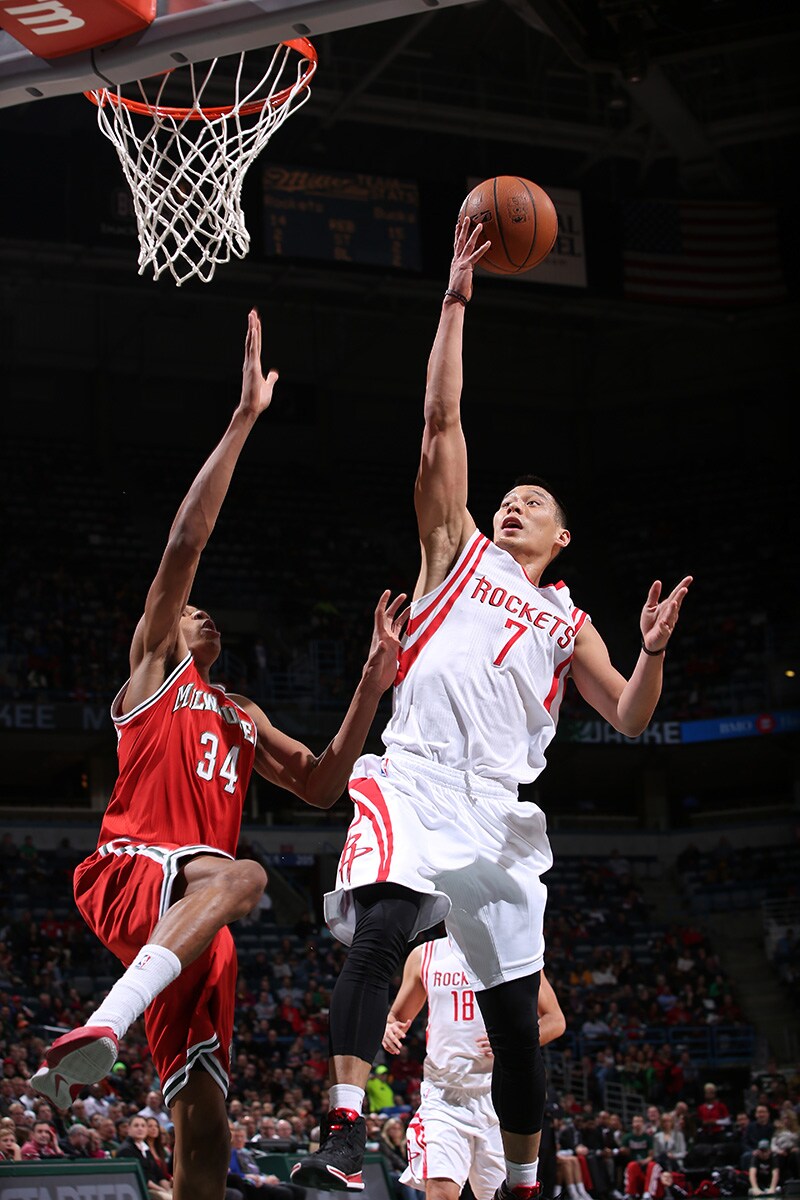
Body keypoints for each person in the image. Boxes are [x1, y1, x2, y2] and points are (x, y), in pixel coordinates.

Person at [291, 218, 692, 1198]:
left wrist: (647, 654)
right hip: (418, 775)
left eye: (532, 500)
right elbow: (439, 426)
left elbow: (631, 716)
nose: (511, 504)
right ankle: (344, 1134)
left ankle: (521, 1182)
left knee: (516, 1026)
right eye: (505, 496)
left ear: (562, 536)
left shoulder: (567, 619)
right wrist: (454, 301)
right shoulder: (455, 552)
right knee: (383, 923)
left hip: (500, 817)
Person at [28, 309, 408, 1200]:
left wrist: (369, 685)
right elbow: (183, 544)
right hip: (138, 872)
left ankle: (124, 1045)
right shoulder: (154, 670)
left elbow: (319, 784)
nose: (195, 610)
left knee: (205, 1132)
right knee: (244, 877)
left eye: (203, 613)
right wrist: (242, 419)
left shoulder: (239, 712)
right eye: (188, 607)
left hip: (194, 925)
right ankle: (104, 1026)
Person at [382, 932, 566, 1200]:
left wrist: (515, 1041)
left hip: (497, 1099)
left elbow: (555, 1020)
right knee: (441, 1189)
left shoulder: (511, 953)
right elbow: (397, 1017)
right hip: (444, 1097)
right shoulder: (425, 955)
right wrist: (388, 1028)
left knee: (498, 1194)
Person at [115, 1114, 173, 1199]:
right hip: (140, 1190)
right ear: (129, 1129)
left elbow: (159, 1174)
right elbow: (142, 1178)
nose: (140, 1128)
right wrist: (163, 1191)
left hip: (156, 1188)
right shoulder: (126, 1150)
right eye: (136, 1125)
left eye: (143, 1126)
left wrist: (168, 1189)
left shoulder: (145, 1148)